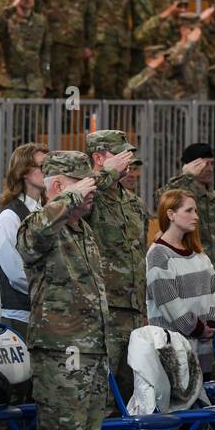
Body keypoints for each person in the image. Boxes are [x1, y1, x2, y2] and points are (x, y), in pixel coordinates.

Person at [16, 150, 113, 430]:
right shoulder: (40, 227)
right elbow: (30, 238)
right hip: (59, 353)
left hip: (91, 351)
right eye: (81, 184)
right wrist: (71, 198)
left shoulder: (82, 232)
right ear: (57, 187)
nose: (89, 193)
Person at [84, 131, 151, 402]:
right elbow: (76, 198)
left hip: (134, 312)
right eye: (120, 155)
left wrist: (144, 310)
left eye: (128, 155)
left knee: (132, 394)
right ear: (98, 158)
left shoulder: (135, 204)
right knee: (103, 395)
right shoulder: (89, 196)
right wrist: (106, 174)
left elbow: (139, 257)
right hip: (105, 312)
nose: (128, 162)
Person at [147, 189, 215, 374]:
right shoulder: (159, 254)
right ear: (171, 214)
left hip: (204, 346)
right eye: (189, 211)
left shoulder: (198, 254)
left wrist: (211, 325)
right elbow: (168, 301)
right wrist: (196, 328)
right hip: (174, 350)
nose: (195, 216)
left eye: (196, 211)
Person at [0, 143, 47, 339]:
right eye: (42, 166)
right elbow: (16, 275)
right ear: (24, 172)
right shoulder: (9, 216)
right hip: (17, 316)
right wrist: (53, 293)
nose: (48, 172)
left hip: (42, 314)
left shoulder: (47, 212)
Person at [160, 142, 215, 284]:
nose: (210, 169)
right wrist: (186, 177)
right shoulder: (182, 195)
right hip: (190, 275)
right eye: (204, 164)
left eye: (212, 163)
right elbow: (161, 199)